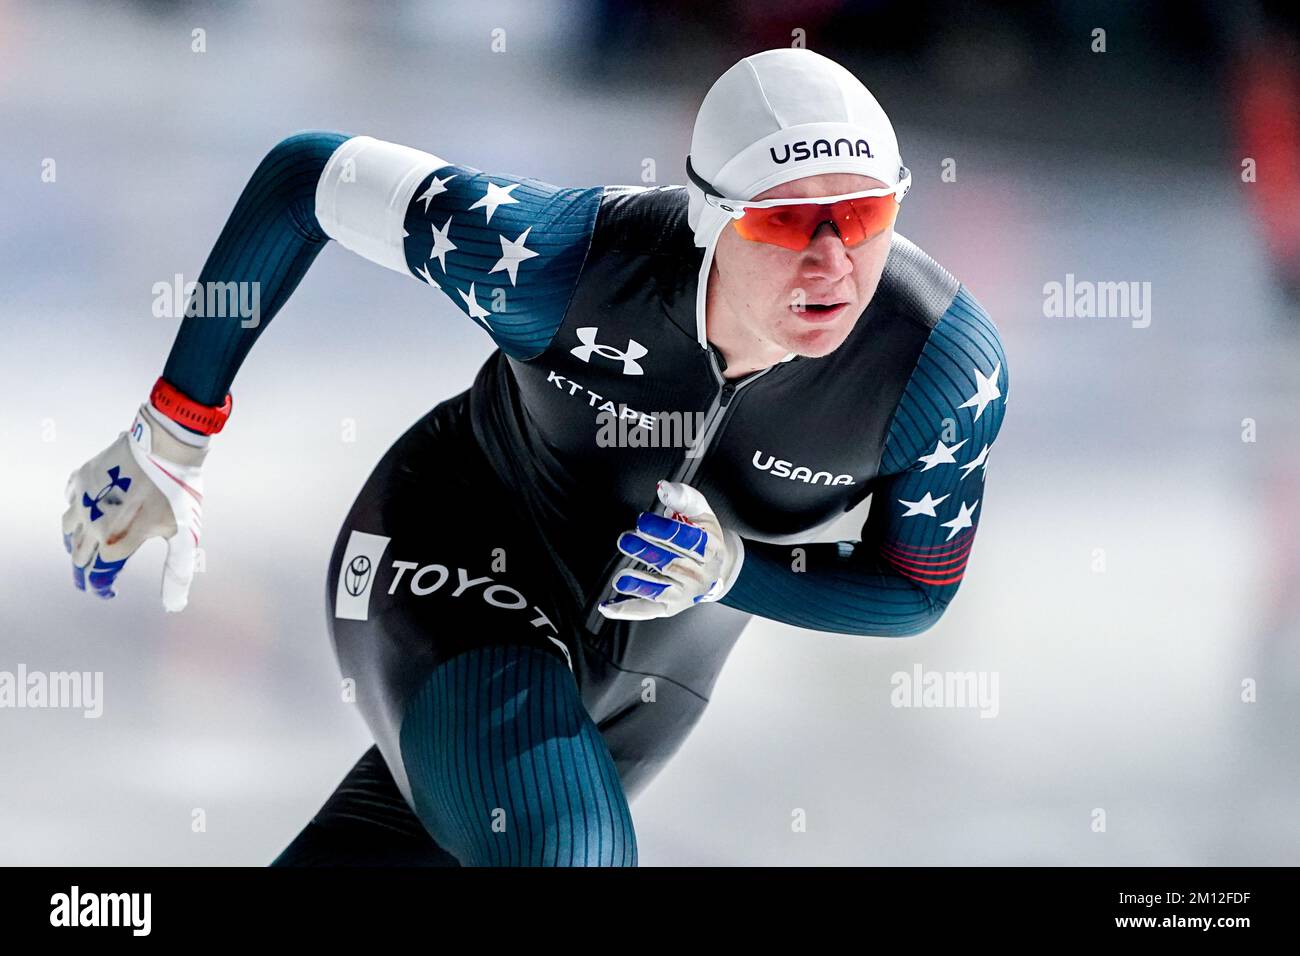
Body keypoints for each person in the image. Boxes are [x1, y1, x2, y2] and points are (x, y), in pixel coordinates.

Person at [61, 47, 1009, 866]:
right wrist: (175, 430)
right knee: (568, 853)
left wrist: (733, 574)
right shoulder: (563, 264)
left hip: (654, 678)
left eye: (866, 213)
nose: (833, 259)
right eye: (785, 222)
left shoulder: (937, 367)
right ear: (710, 217)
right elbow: (306, 178)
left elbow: (914, 592)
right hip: (449, 564)